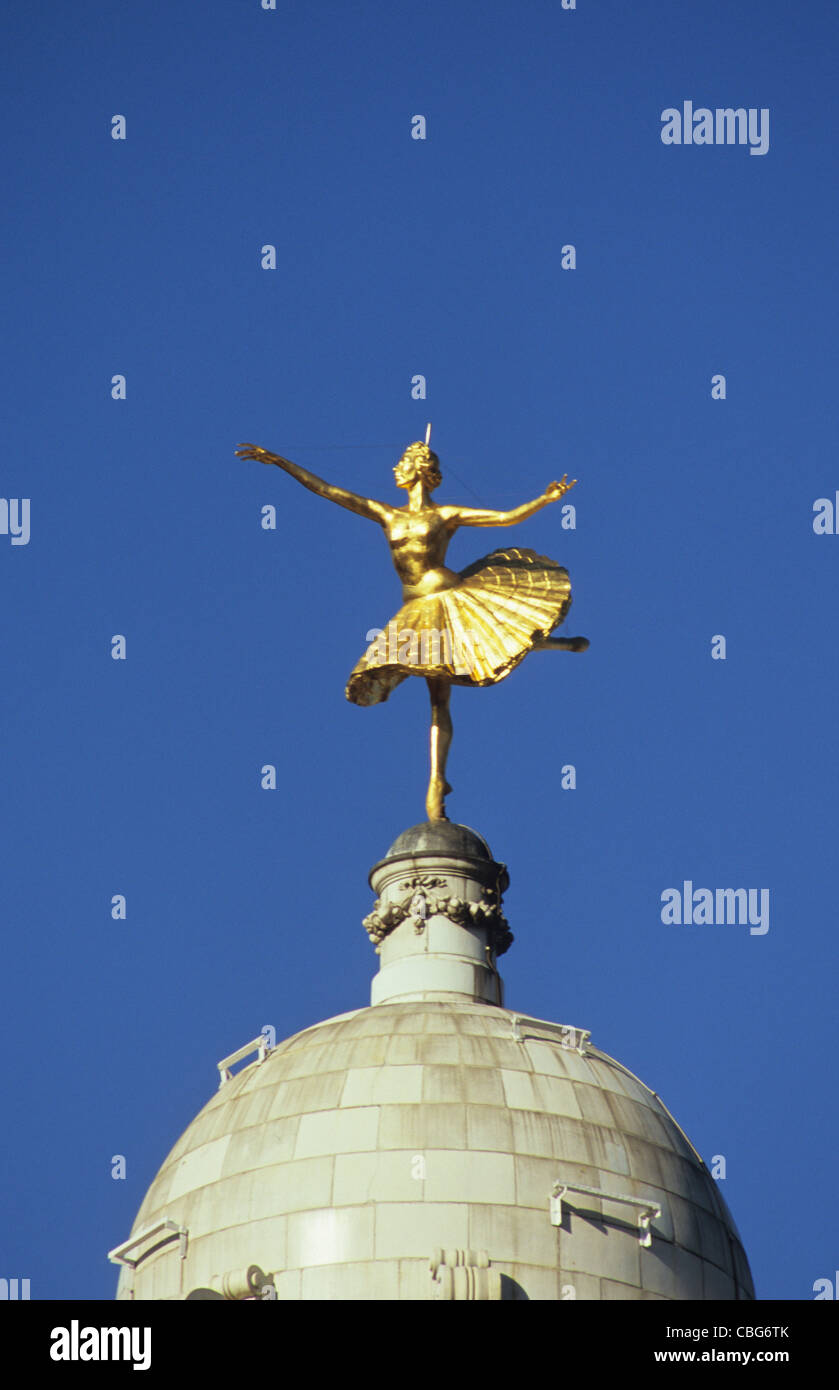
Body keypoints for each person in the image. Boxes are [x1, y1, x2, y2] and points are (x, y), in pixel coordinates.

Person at [236, 438, 588, 820]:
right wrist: (281, 462)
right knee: (438, 689)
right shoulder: (387, 514)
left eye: (402, 463)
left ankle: (437, 780)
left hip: (446, 597)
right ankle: (549, 647)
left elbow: (505, 518)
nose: (395, 469)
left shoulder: (445, 515)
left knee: (452, 681)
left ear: (420, 469)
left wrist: (546, 499)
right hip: (415, 609)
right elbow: (329, 491)